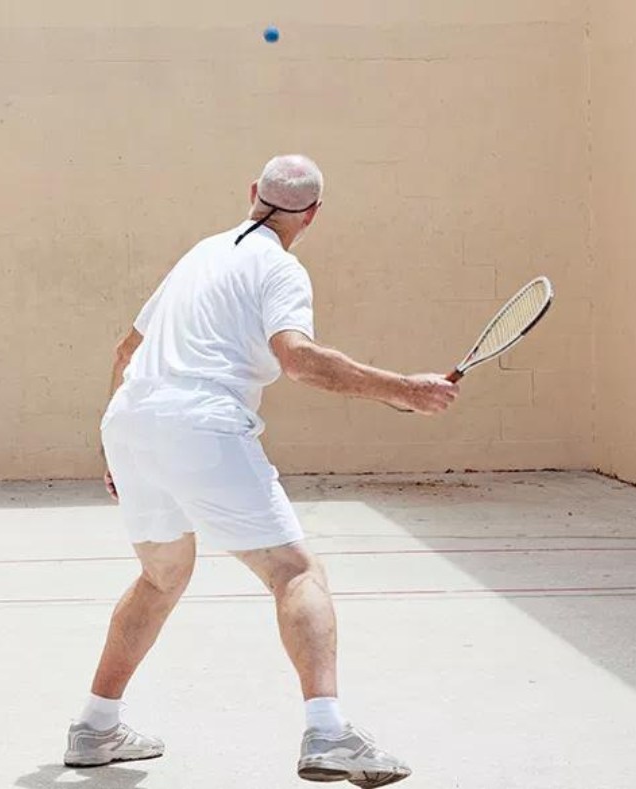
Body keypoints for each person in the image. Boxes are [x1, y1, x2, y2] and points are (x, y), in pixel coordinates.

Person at [64, 154, 459, 788]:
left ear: (252, 194)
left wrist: (112, 450)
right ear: (314, 216)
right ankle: (329, 734)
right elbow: (297, 360)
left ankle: (95, 726)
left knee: (161, 577)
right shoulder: (280, 269)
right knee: (295, 571)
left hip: (130, 423)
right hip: (202, 424)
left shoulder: (201, 253)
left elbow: (125, 349)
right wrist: (401, 388)